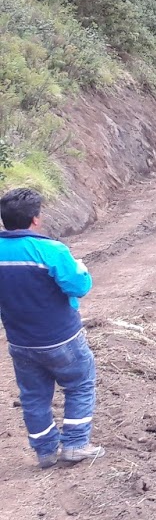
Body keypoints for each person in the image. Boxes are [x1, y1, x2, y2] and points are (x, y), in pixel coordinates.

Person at [0, 188, 101, 468]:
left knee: (33, 397)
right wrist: (81, 269)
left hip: (20, 341)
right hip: (62, 338)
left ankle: (45, 452)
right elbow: (79, 287)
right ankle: (76, 445)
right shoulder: (52, 251)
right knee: (80, 385)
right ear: (35, 219)